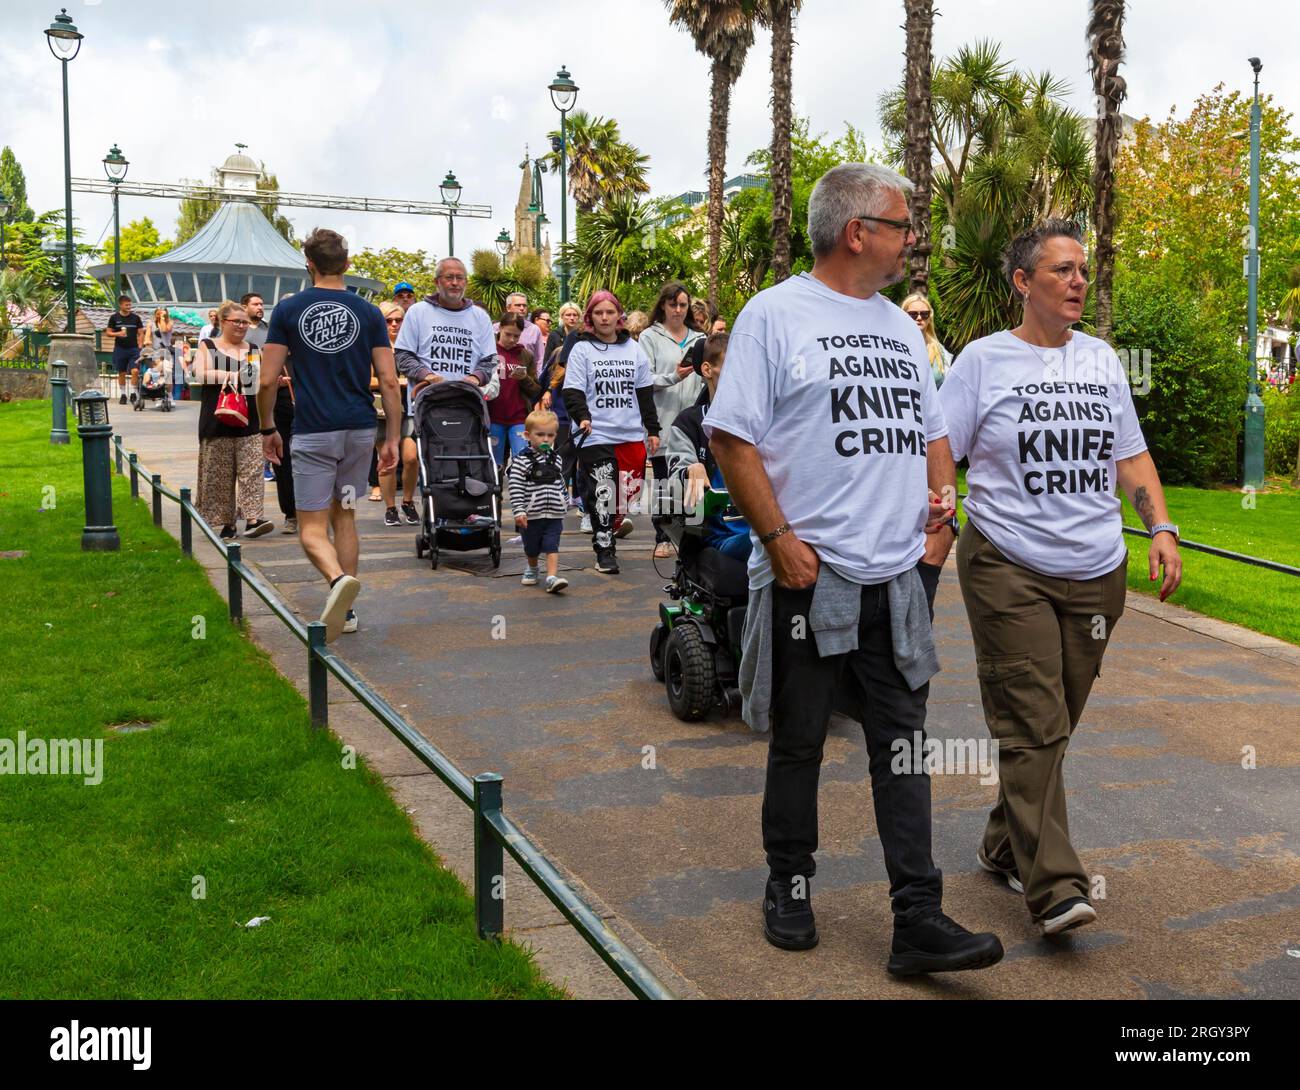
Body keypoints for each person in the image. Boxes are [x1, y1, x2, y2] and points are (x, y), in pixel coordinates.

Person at [707, 162, 1003, 975]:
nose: (914, 239)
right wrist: (777, 539)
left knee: (901, 749)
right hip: (813, 573)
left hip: (897, 577)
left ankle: (918, 921)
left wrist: (942, 509)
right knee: (799, 743)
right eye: (903, 225)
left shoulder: (901, 329)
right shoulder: (775, 316)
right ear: (857, 231)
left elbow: (931, 428)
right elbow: (731, 436)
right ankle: (789, 884)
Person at [938, 218, 1183, 936]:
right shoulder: (982, 363)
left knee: (1054, 721)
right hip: (1009, 562)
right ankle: (1055, 888)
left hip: (1097, 572)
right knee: (1033, 721)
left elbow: (1130, 457)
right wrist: (930, 516)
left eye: (1084, 268)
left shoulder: (1103, 360)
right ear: (1023, 283)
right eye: (1062, 270)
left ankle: (1002, 839)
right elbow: (938, 448)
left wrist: (1160, 526)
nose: (1079, 280)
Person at [258, 228, 401, 642]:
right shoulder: (370, 313)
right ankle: (348, 610)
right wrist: (390, 437)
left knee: (311, 529)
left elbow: (268, 380)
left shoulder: (288, 311)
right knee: (346, 516)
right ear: (348, 264)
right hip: (358, 431)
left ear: (309, 265)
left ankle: (338, 581)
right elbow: (389, 382)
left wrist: (268, 427)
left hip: (314, 433)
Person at [562, 289, 660, 574]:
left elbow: (644, 393)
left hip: (630, 433)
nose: (604, 317)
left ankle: (611, 525)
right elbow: (572, 391)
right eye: (598, 312)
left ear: (619, 316)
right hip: (595, 434)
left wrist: (652, 429)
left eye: (610, 312)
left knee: (629, 492)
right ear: (590, 317)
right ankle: (604, 550)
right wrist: (582, 417)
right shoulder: (581, 348)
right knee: (603, 492)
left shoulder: (634, 349)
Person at [192, 300, 273, 540]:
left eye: (245, 322)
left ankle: (253, 518)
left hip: (249, 420)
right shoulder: (208, 346)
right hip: (216, 420)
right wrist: (232, 375)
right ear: (222, 321)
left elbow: (254, 384)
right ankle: (226, 523)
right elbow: (200, 374)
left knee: (252, 471)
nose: (241, 326)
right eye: (236, 321)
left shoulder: (253, 350)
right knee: (219, 475)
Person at [665, 333, 750, 561]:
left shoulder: (761, 419)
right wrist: (691, 469)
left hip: (766, 527)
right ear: (707, 369)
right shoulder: (689, 423)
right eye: (731, 366)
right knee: (766, 540)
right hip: (722, 538)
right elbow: (674, 481)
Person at [640, 282, 705, 558]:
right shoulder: (649, 337)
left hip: (694, 423)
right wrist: (673, 377)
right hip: (662, 421)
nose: (678, 310)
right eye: (673, 304)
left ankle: (693, 535)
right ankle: (662, 535)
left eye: (683, 305)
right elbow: (643, 379)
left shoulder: (699, 337)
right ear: (663, 306)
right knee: (665, 481)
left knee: (693, 479)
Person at [393, 257, 496, 393]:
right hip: (426, 402)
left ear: (466, 282)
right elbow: (403, 355)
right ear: (436, 282)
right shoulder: (417, 312)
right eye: (449, 277)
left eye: (460, 278)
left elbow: (490, 359)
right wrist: (427, 376)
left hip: (467, 403)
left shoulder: (481, 317)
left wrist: (475, 378)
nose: (455, 283)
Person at [508, 408, 570, 594]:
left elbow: (560, 481)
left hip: (554, 513)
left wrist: (564, 500)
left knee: (552, 545)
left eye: (550, 435)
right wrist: (519, 510)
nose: (545, 439)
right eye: (540, 434)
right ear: (527, 435)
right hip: (531, 513)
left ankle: (552, 577)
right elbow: (516, 485)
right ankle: (533, 567)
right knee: (532, 547)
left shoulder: (556, 459)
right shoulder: (522, 460)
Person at [371, 301, 420, 527]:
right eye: (388, 320)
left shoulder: (412, 345)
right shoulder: (373, 345)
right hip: (382, 409)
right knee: (387, 460)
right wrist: (391, 382)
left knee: (411, 457)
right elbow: (365, 379)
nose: (394, 324)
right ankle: (390, 507)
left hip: (409, 407)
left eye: (398, 320)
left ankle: (408, 501)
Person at [490, 313, 542, 468]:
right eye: (508, 334)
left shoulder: (525, 355)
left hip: (518, 417)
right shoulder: (488, 350)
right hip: (493, 416)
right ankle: (495, 492)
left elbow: (536, 390)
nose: (512, 340)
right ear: (500, 329)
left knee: (523, 461)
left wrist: (524, 378)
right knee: (495, 463)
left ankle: (520, 491)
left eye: (516, 336)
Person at [902, 292, 952, 388]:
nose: (919, 318)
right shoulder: (895, 347)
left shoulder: (940, 351)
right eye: (913, 314)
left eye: (924, 314)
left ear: (929, 318)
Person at [105, 295, 146, 405]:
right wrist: (118, 333)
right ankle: (123, 395)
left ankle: (133, 393)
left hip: (133, 349)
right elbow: (108, 333)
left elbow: (141, 332)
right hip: (120, 349)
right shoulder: (114, 318)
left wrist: (140, 345)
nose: (129, 307)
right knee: (121, 372)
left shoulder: (136, 318)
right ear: (121, 305)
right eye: (126, 305)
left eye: (130, 304)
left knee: (135, 371)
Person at [496, 291, 546, 365]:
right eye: (518, 305)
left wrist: (536, 376)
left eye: (524, 305)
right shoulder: (495, 328)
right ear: (508, 308)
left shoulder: (534, 330)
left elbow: (539, 358)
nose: (522, 308)